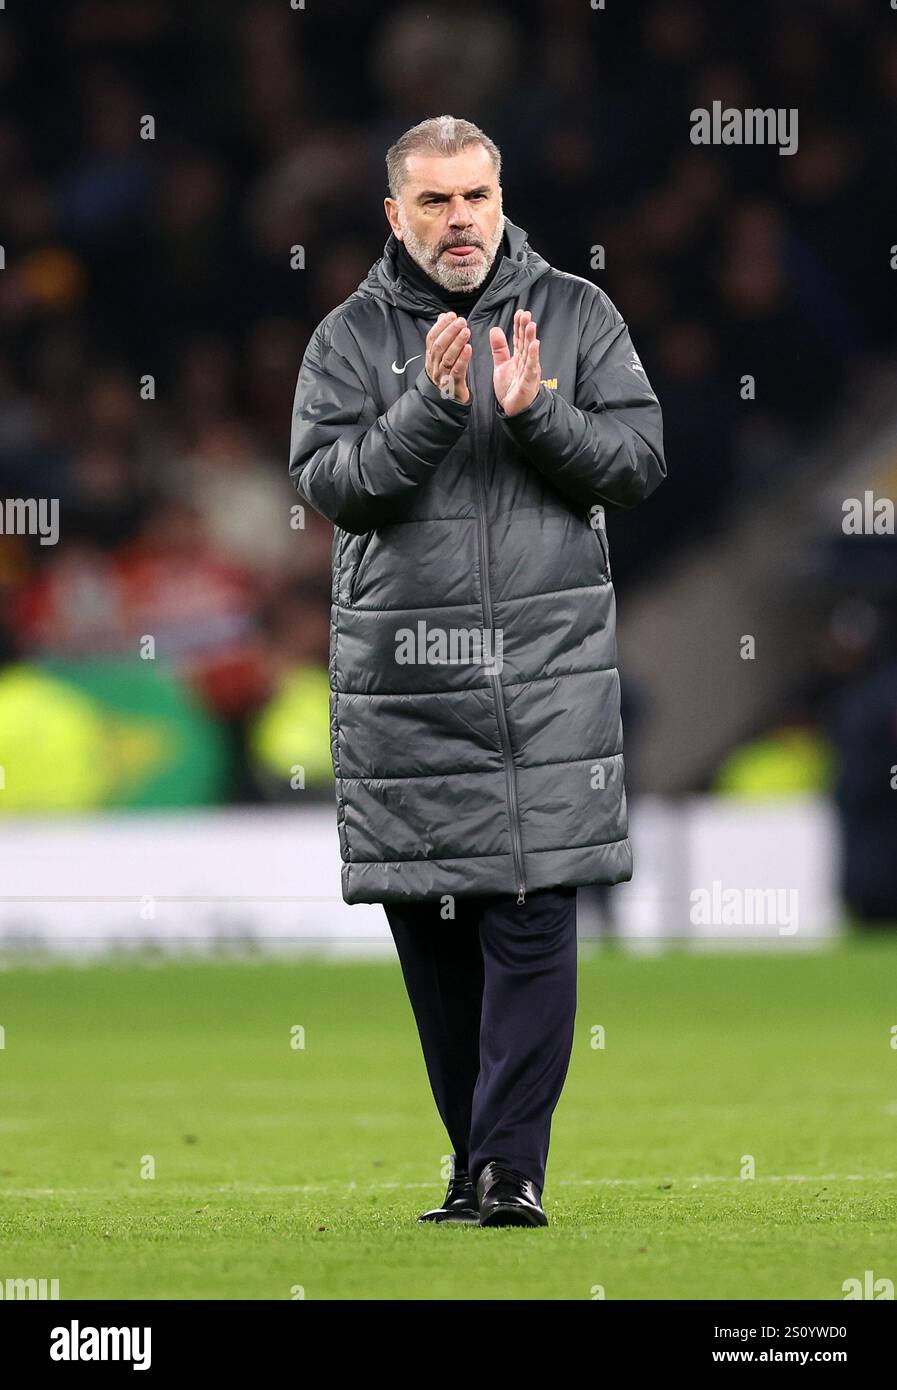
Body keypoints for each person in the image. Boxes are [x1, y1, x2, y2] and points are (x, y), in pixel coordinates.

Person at [289, 115, 666, 1227]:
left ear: (502, 198)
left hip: (546, 686)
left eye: (477, 197)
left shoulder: (579, 314)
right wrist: (430, 410)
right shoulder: (347, 340)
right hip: (408, 687)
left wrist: (536, 411)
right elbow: (335, 485)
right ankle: (475, 1162)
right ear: (394, 215)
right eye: (436, 202)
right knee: (440, 938)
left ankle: (511, 1169)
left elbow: (641, 462)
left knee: (536, 914)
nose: (461, 221)